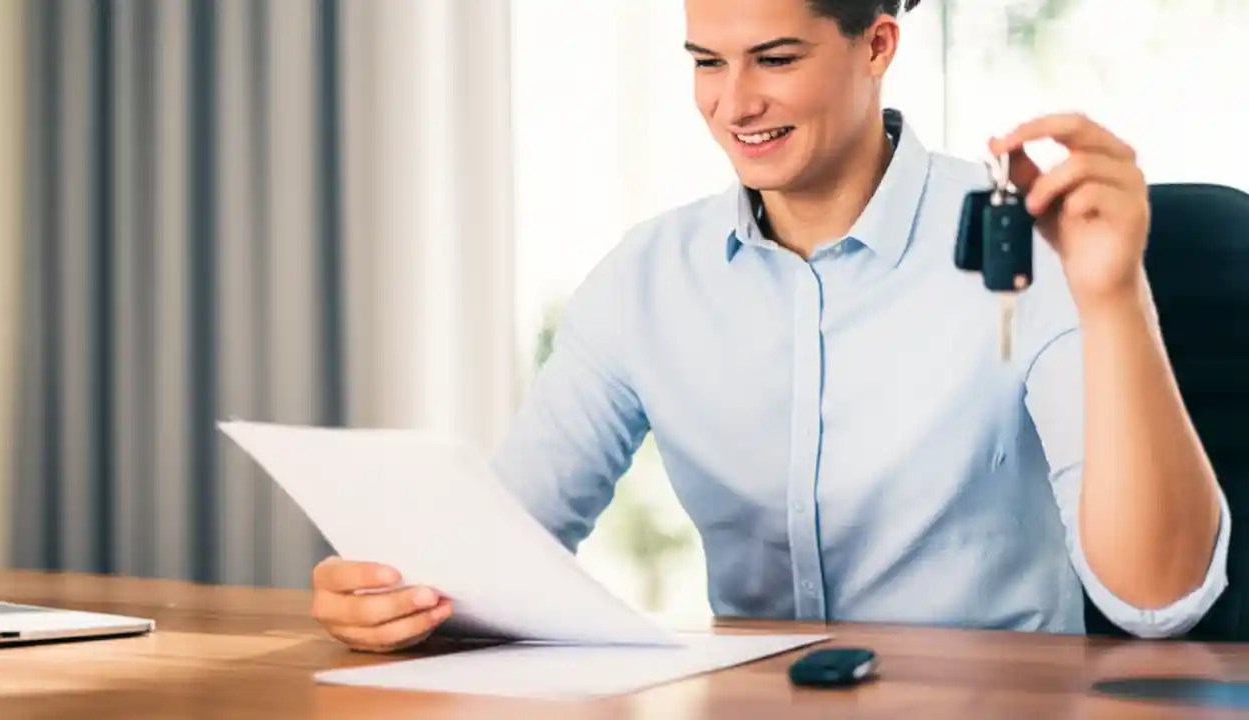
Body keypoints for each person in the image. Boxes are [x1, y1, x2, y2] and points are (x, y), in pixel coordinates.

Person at [310, 0, 1229, 653]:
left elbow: (1158, 603)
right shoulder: (646, 278)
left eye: (775, 59)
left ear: (877, 44)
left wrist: (1114, 296)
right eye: (706, 62)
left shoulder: (1030, 249)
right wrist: (399, 599)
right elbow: (501, 552)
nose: (733, 103)